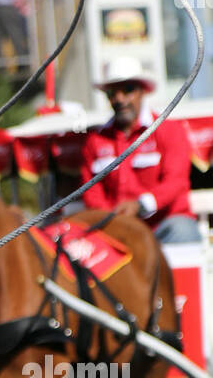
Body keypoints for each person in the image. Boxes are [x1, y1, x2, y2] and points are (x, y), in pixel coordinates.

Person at [80, 56, 200, 245]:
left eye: (128, 90)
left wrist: (140, 205)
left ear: (142, 91)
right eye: (112, 92)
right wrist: (112, 217)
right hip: (117, 231)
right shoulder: (96, 141)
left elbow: (176, 181)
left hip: (163, 227)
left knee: (183, 232)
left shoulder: (168, 130)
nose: (119, 99)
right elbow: (91, 190)